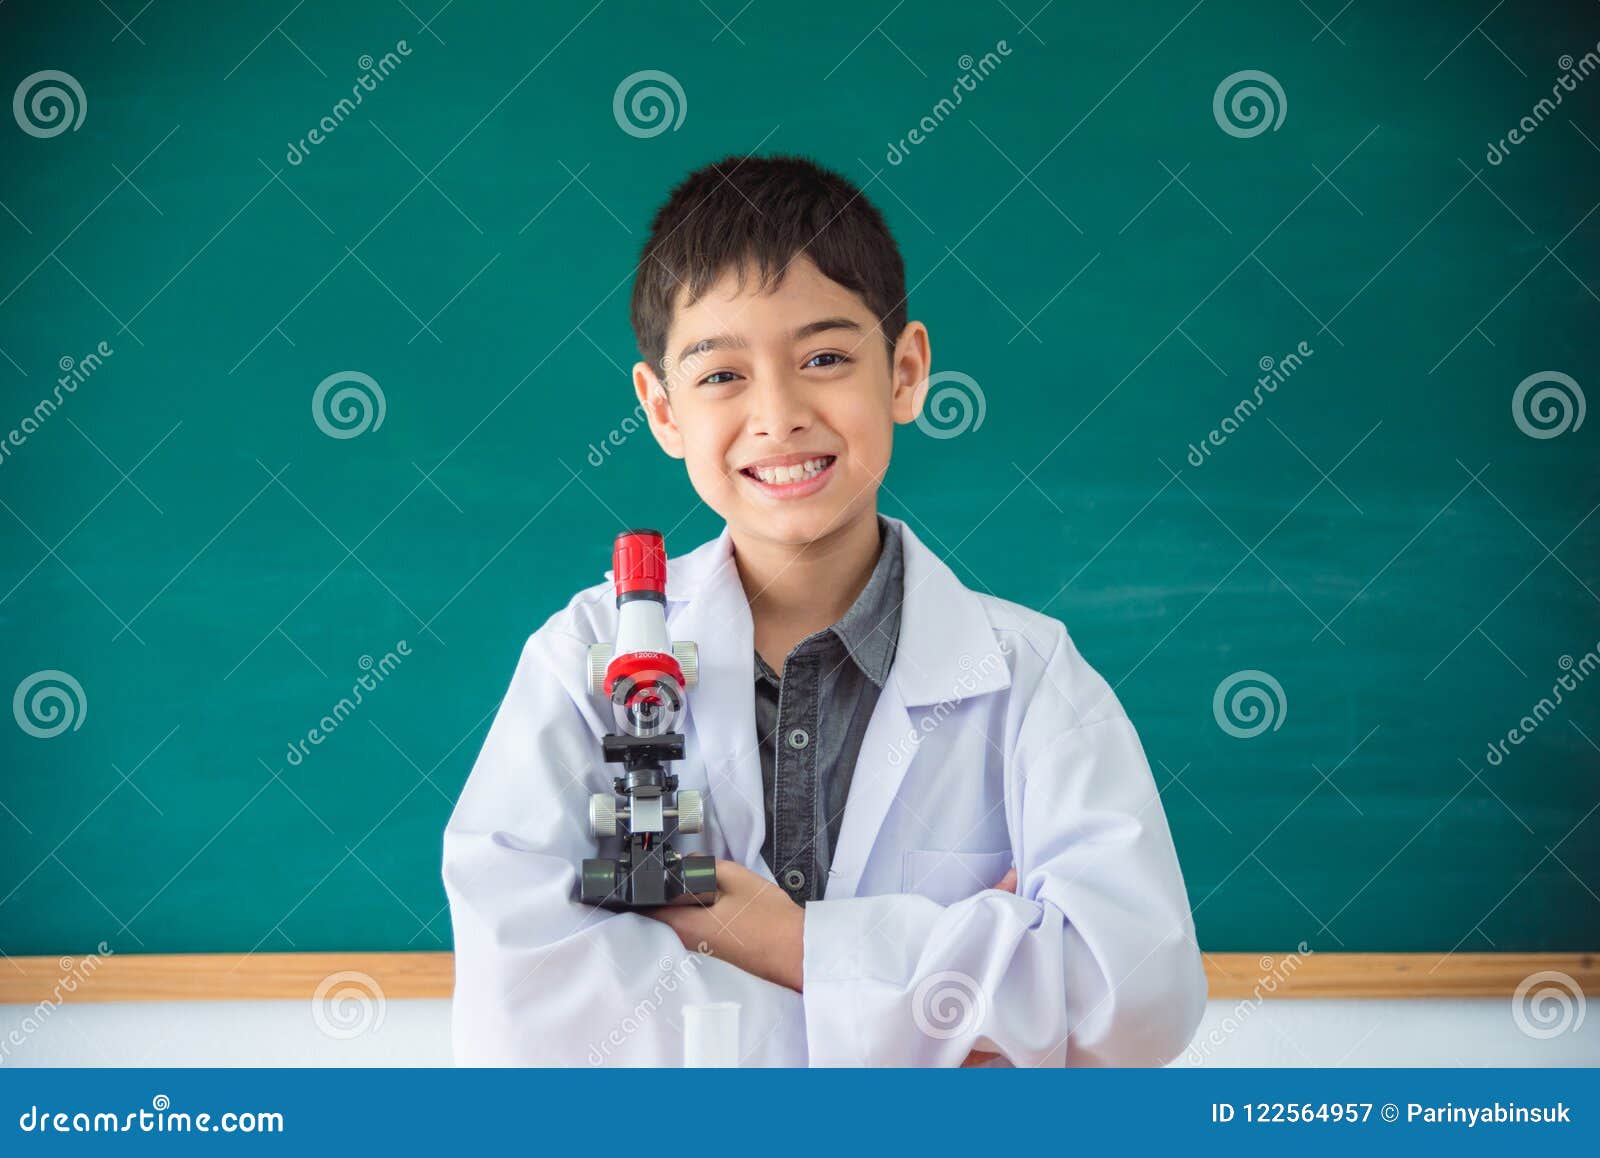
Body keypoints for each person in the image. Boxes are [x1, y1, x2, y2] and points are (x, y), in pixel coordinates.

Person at [443, 154, 1207, 1066]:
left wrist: (778, 939)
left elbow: (1139, 999)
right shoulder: (584, 658)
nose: (779, 414)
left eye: (825, 357)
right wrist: (952, 1001)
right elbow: (524, 1021)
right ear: (662, 410)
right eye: (721, 375)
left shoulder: (1032, 679)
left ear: (906, 371)